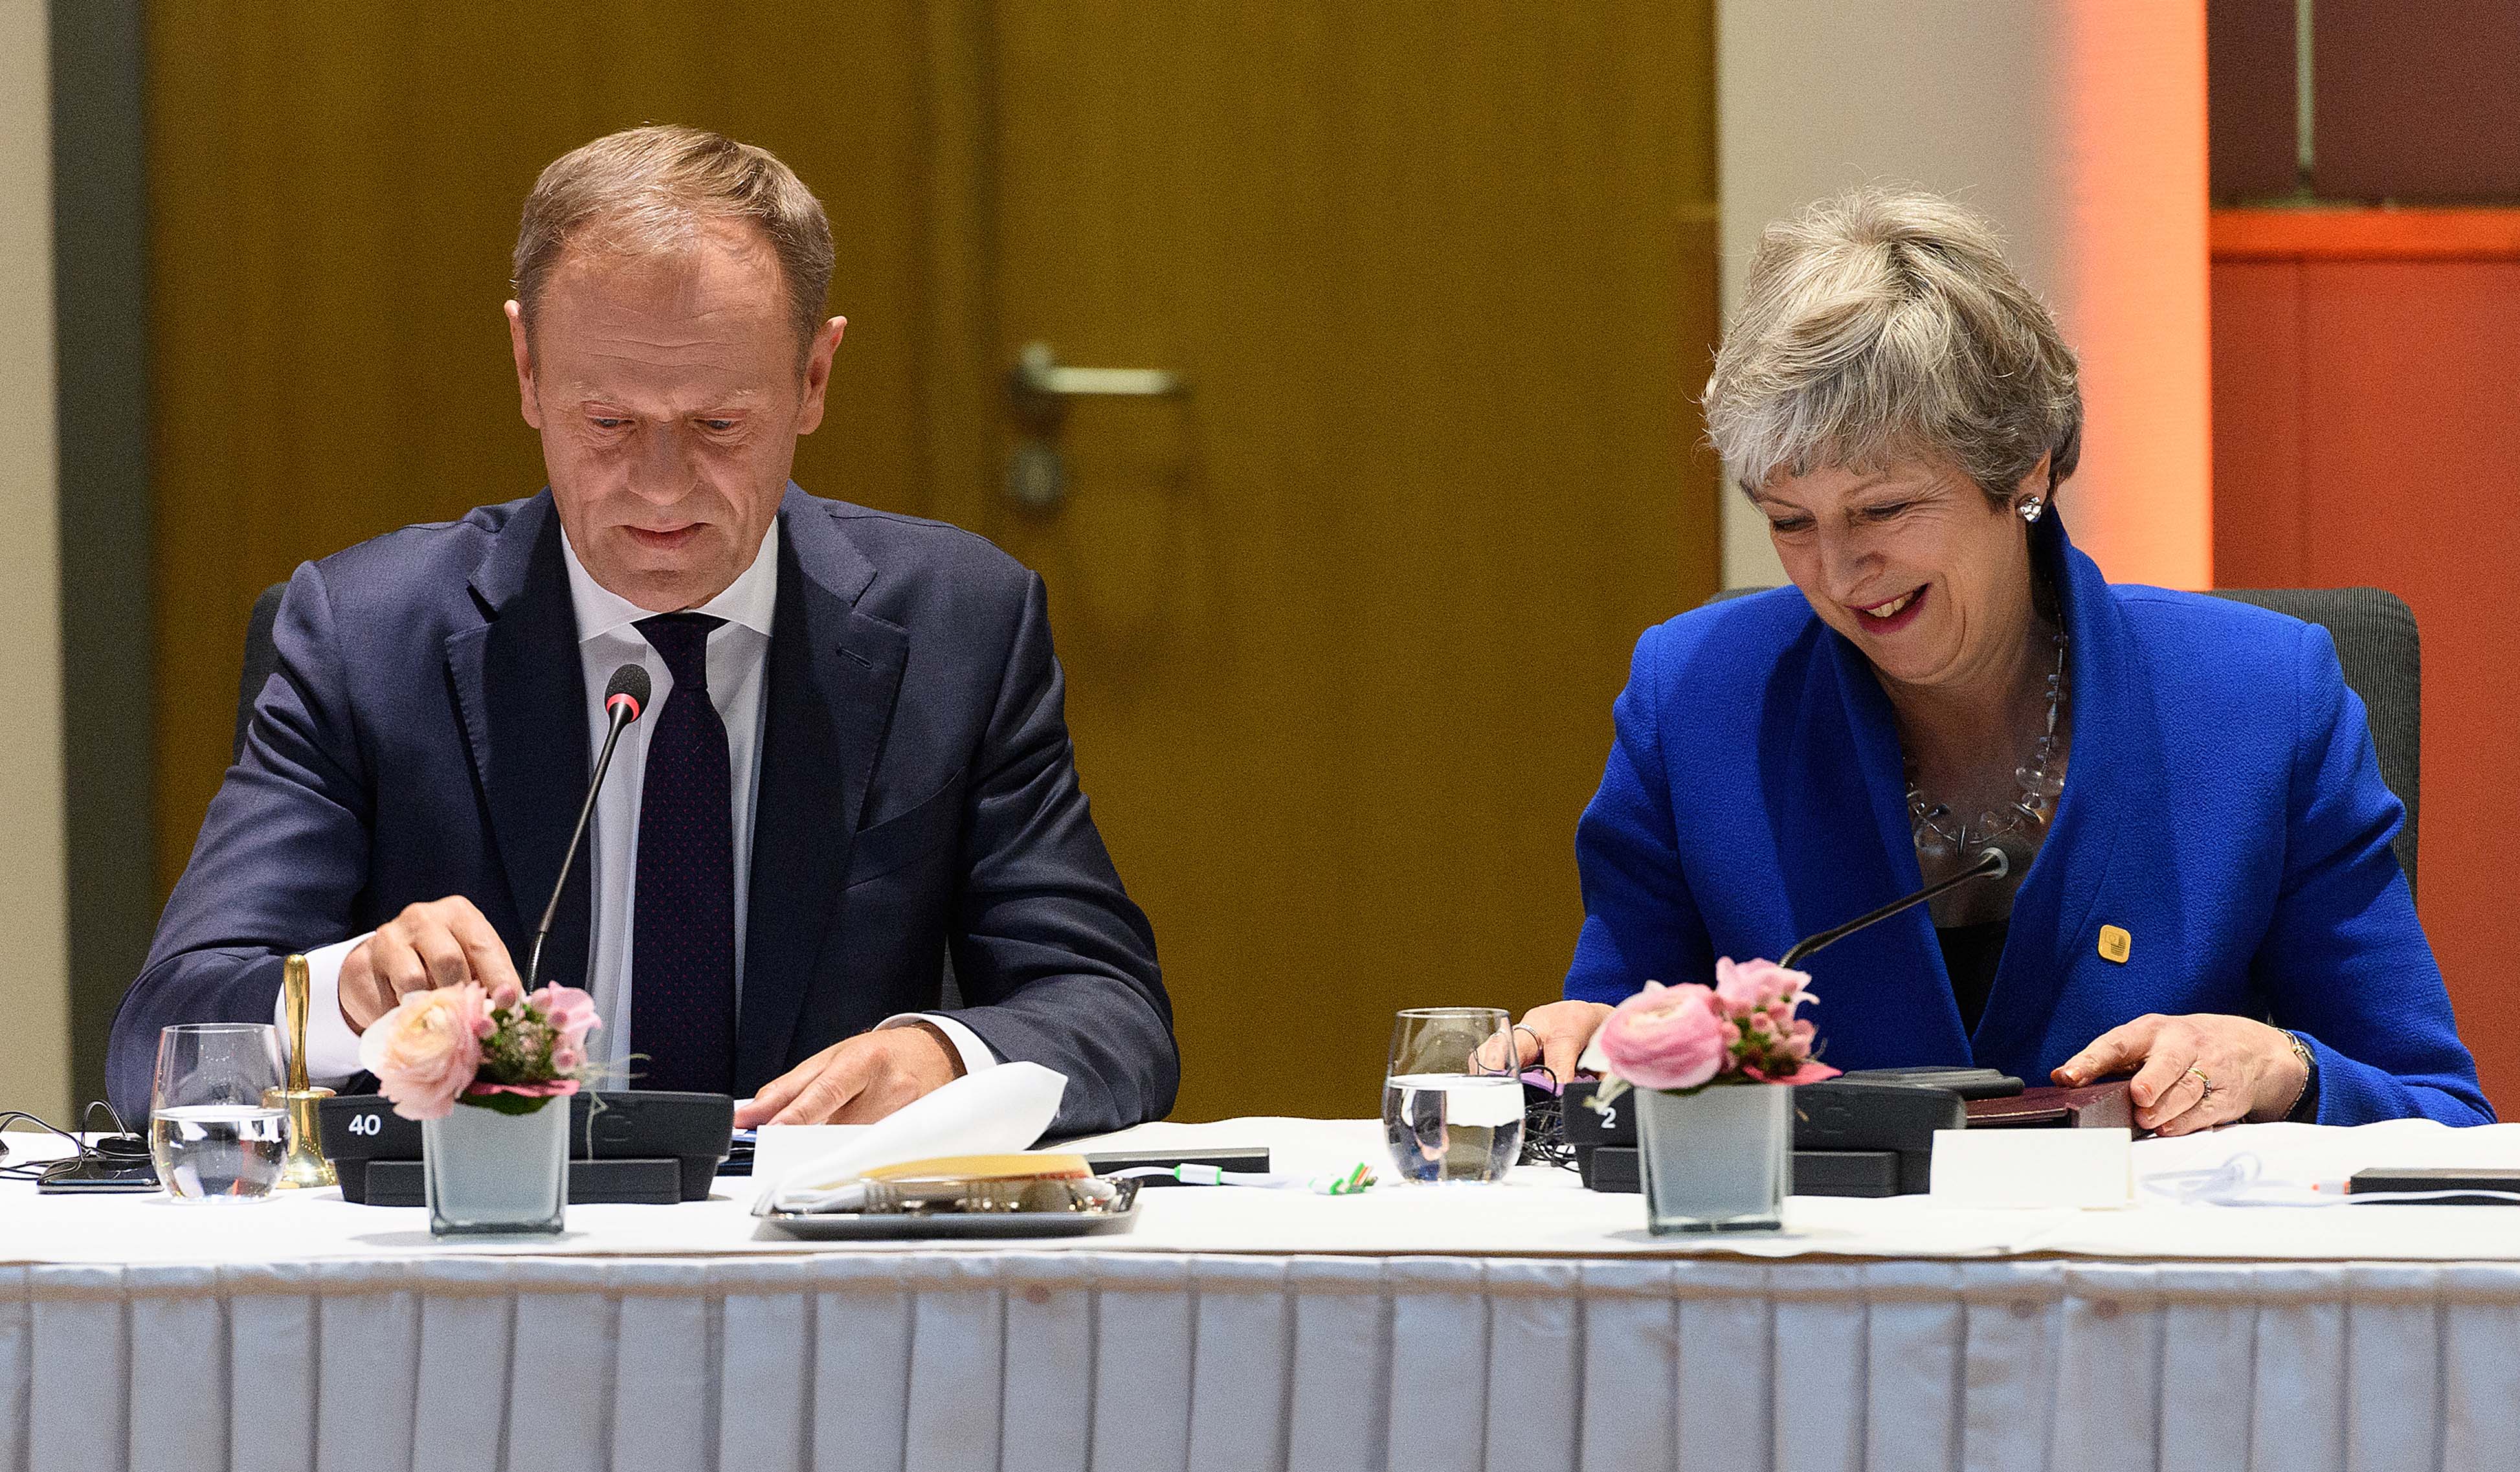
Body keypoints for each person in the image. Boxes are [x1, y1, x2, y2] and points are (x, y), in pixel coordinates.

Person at [109, 126, 1177, 1135]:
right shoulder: (364, 636)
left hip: (825, 1266)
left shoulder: (959, 626)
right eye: (608, 422)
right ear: (527, 370)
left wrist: (942, 1054)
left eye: (718, 425)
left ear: (814, 377)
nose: (660, 487)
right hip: (493, 1265)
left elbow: (1109, 1011)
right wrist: (345, 990)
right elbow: (163, 1037)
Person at [1513, 189, 2488, 1133]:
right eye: (1789, 522)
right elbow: (1609, 1070)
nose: (1842, 569)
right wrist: (1578, 1053)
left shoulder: (2262, 701)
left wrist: (2287, 1070)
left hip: (2144, 1292)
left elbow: (2438, 1113)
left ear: (2023, 465)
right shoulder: (1692, 701)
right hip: (1817, 1290)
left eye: (1883, 509)